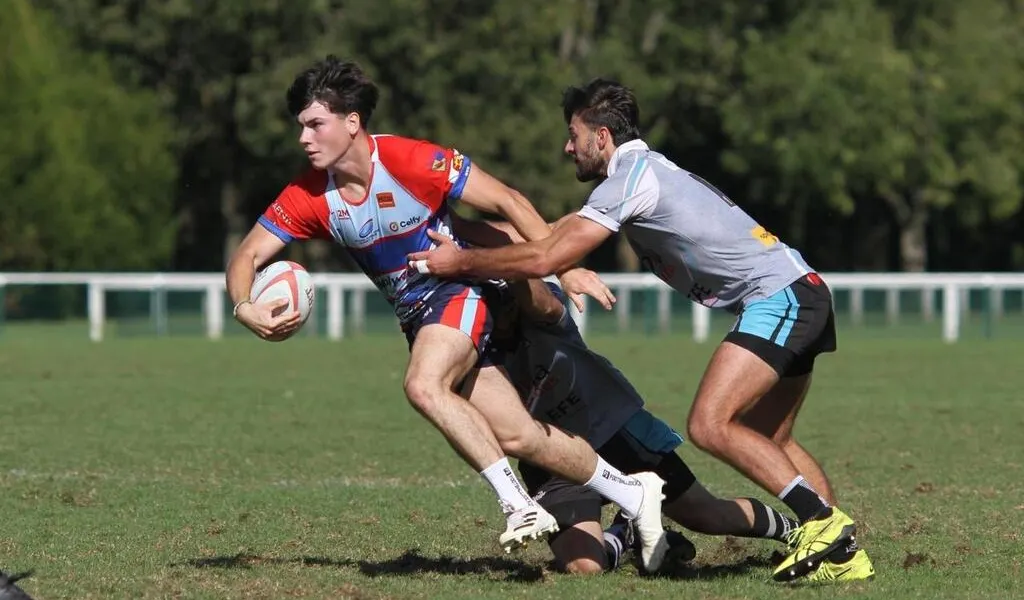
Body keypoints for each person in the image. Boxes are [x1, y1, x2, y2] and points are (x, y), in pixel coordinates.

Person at [408, 78, 874, 583]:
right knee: (768, 436)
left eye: (574, 134)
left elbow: (547, 252)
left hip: (779, 294)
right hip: (796, 291)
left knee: (710, 424)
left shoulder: (631, 178)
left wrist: (464, 261)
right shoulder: (637, 177)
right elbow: (552, 235)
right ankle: (845, 555)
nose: (569, 147)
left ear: (601, 136)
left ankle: (823, 524)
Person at [224, 58, 669, 571]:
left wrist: (562, 265)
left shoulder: (410, 161)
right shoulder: (309, 195)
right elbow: (247, 256)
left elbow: (507, 200)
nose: (303, 137)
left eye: (315, 123)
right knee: (518, 435)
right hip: (420, 319)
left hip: (458, 290)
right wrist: (244, 307)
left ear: (352, 123)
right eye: (300, 125)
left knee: (422, 385)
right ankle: (635, 494)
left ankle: (518, 505)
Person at [493, 276, 801, 575]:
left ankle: (800, 531)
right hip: (551, 458)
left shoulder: (541, 308)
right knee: (585, 567)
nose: (503, 311)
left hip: (617, 431)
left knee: (706, 514)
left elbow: (545, 305)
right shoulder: (473, 344)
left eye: (506, 298)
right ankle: (625, 532)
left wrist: (507, 259)